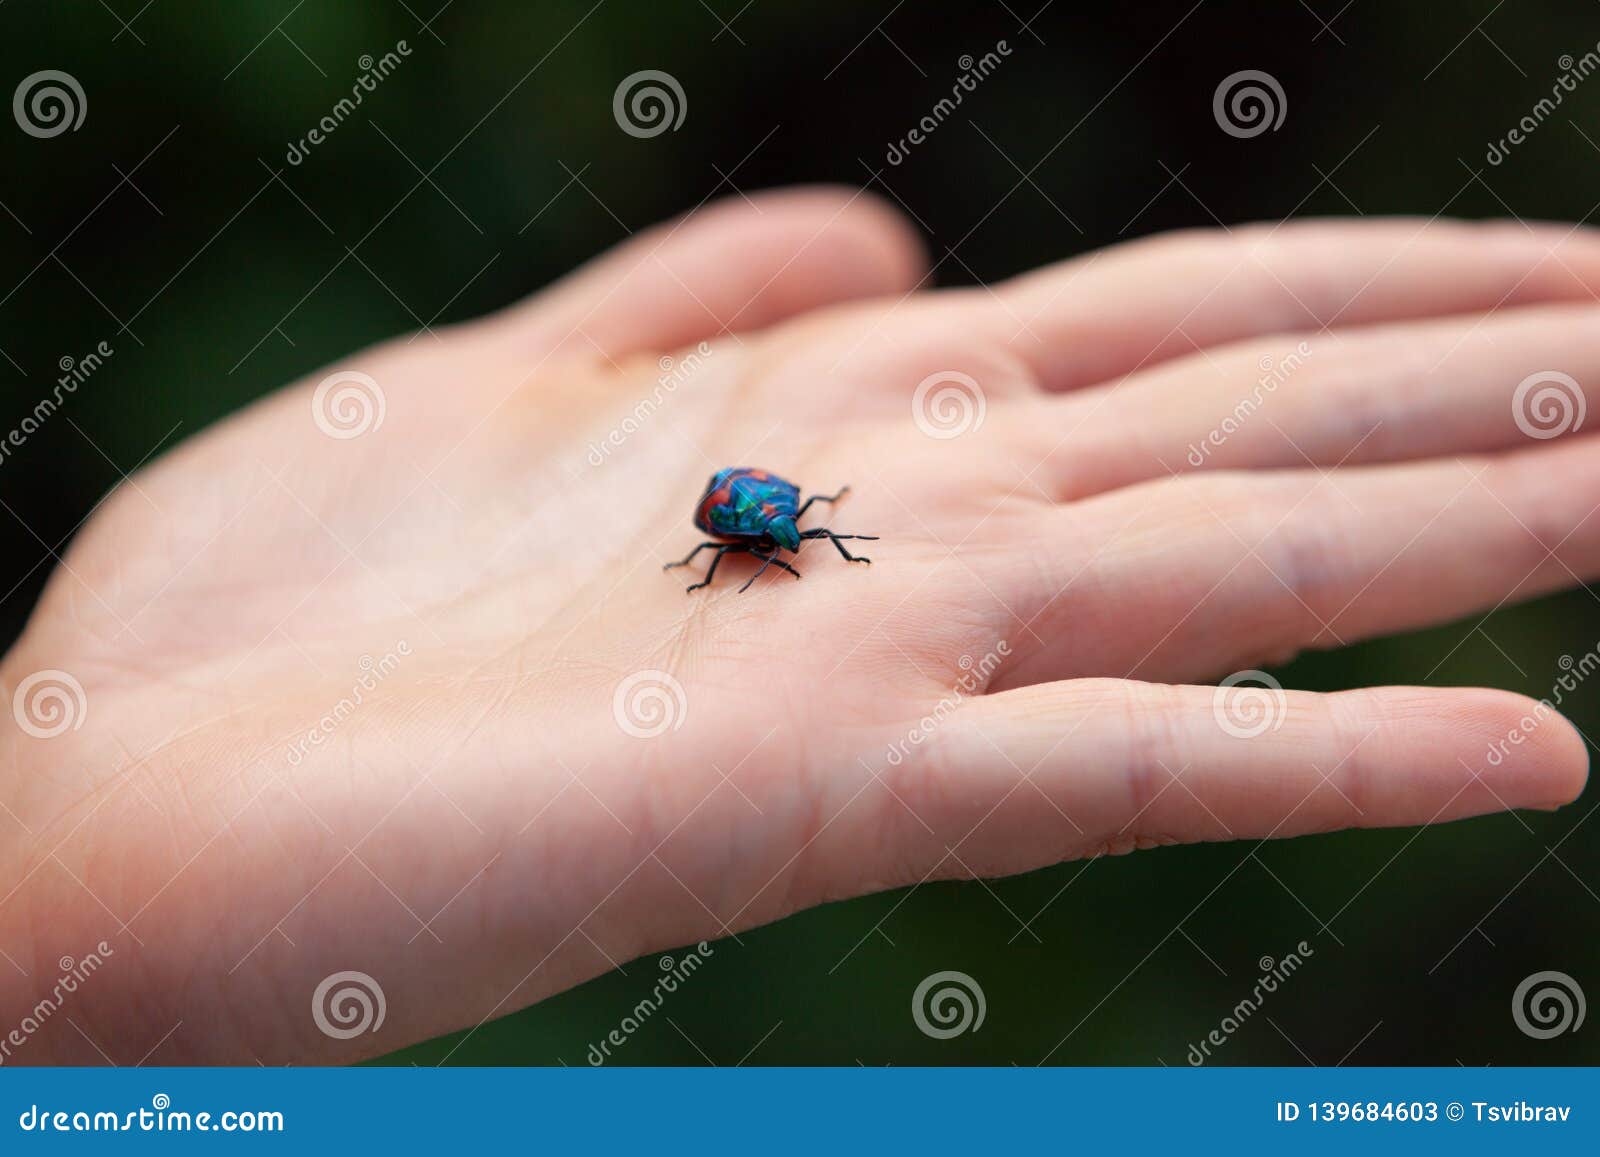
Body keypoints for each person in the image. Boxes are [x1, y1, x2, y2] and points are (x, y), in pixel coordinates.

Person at [0, 186, 1590, 1063]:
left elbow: (788, 523)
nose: (791, 547)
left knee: (804, 528)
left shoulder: (779, 517)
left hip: (742, 503)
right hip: (729, 509)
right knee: (780, 535)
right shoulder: (746, 527)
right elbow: (752, 531)